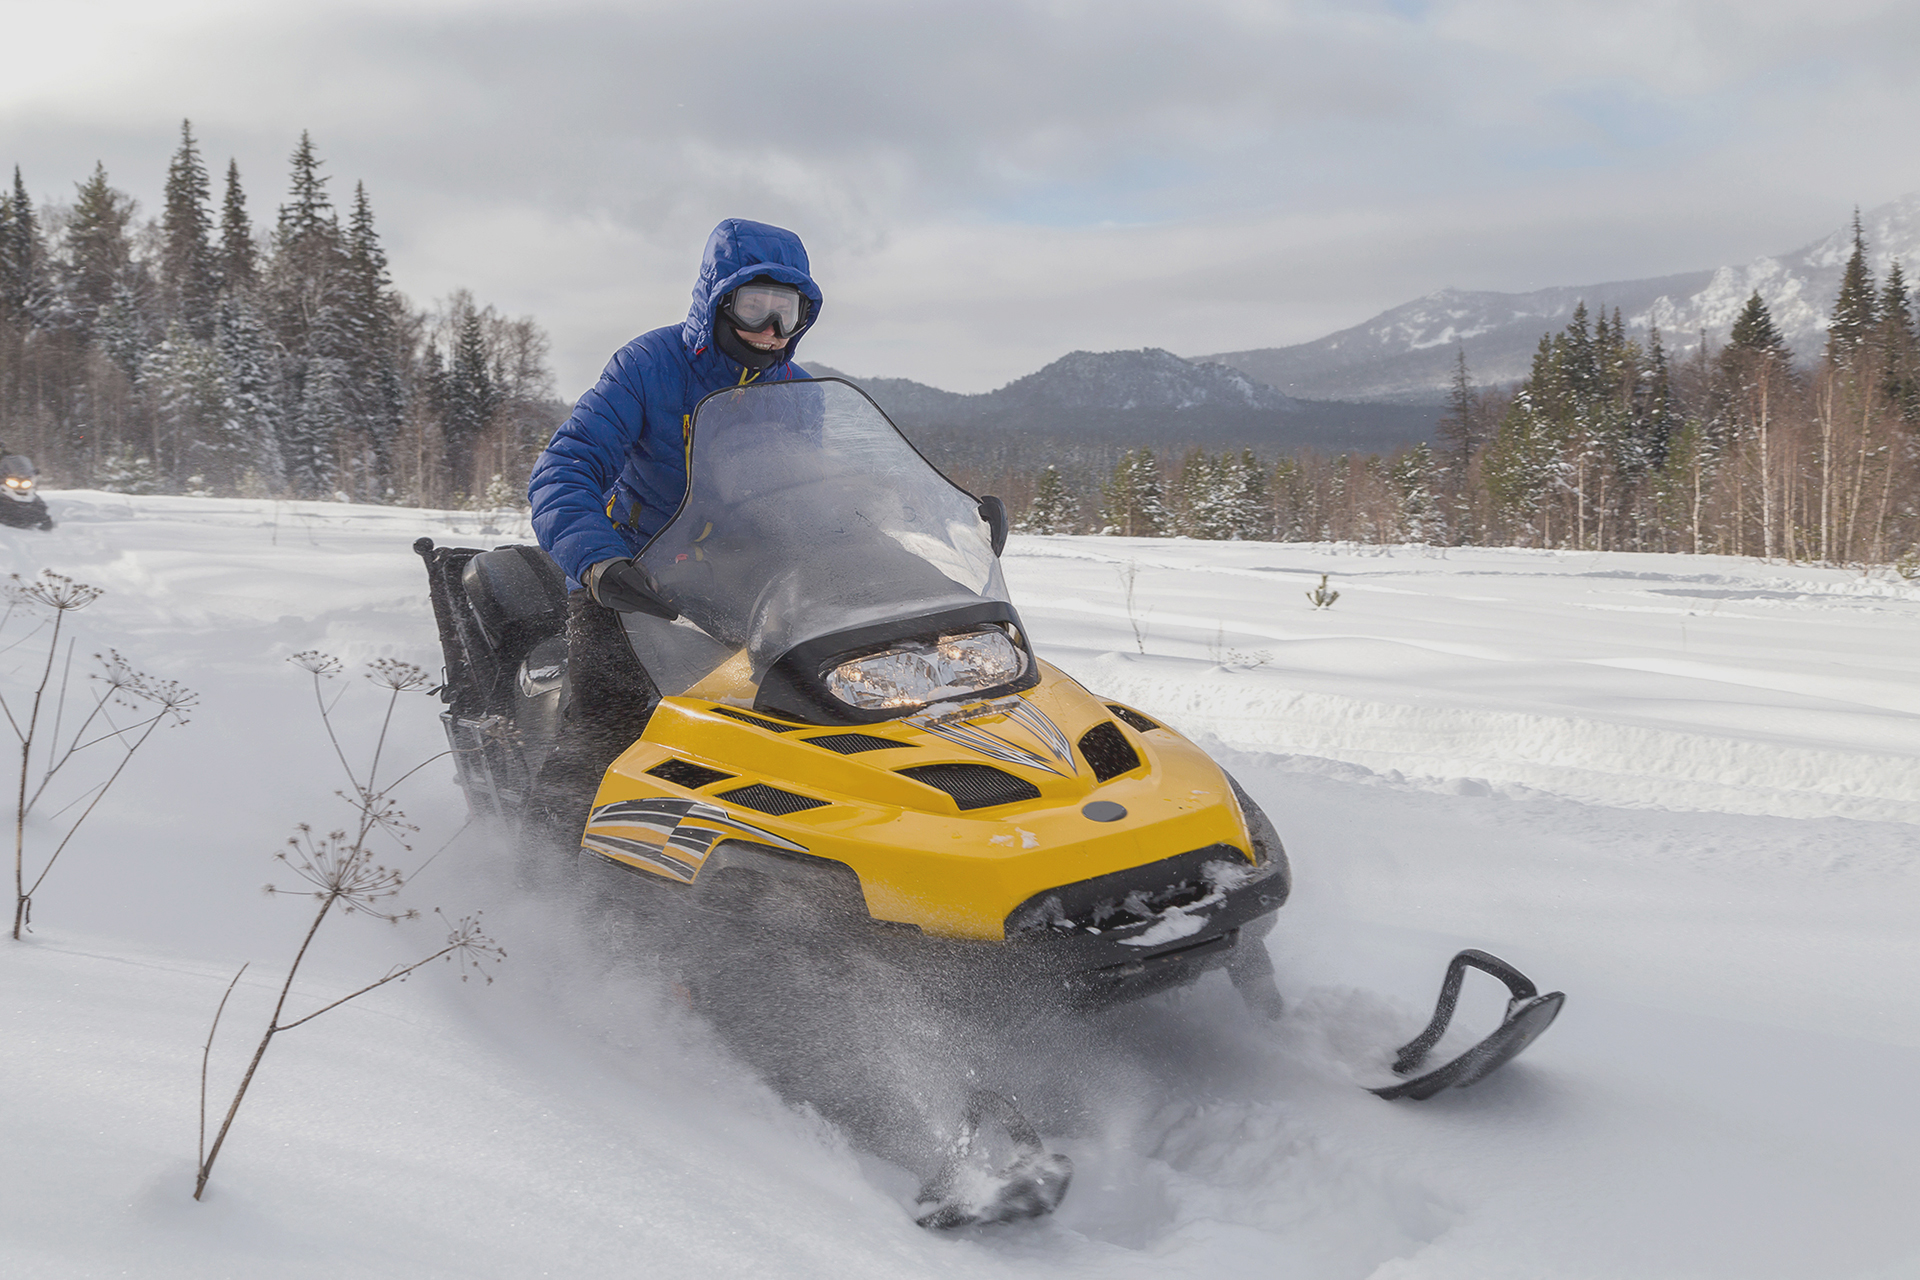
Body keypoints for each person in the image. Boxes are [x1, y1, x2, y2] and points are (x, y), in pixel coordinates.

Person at [527, 218, 823, 821]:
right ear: (718, 301)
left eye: (785, 311)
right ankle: (543, 872)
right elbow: (566, 467)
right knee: (605, 722)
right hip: (636, 579)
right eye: (754, 306)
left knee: (812, 712)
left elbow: (819, 499)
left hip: (745, 581)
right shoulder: (648, 365)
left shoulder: (799, 390)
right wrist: (599, 560)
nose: (770, 329)